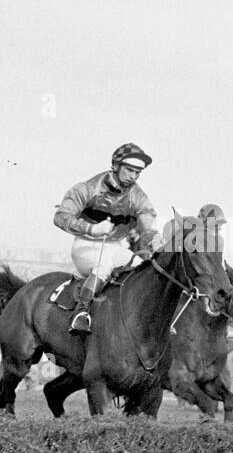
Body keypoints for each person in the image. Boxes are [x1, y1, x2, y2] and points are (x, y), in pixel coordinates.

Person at [53, 143, 166, 333]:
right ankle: (81, 313)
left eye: (138, 172)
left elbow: (147, 221)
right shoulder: (87, 188)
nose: (133, 176)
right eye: (129, 170)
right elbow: (60, 216)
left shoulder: (138, 196)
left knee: (145, 271)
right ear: (115, 165)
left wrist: (155, 237)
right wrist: (92, 228)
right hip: (85, 246)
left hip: (116, 247)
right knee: (104, 264)